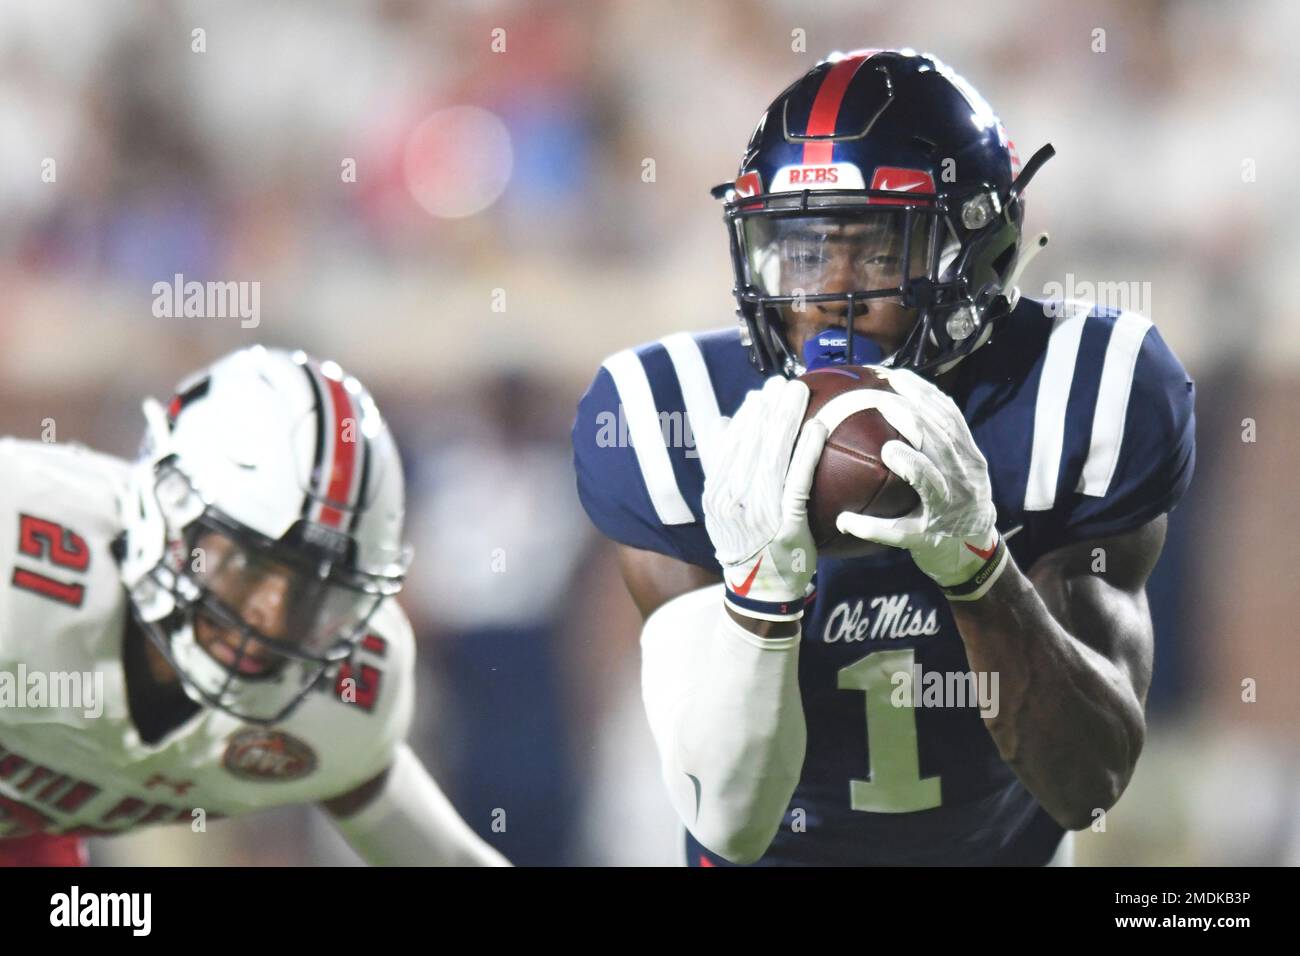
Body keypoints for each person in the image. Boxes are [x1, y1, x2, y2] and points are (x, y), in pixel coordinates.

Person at [572, 49, 1196, 865]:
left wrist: (980, 570)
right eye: (801, 250)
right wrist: (761, 598)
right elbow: (730, 820)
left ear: (981, 248)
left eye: (874, 250)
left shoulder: (1082, 390)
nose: (830, 293)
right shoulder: (671, 412)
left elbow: (1088, 779)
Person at [0, 345, 507, 867]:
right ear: (171, 514)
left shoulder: (345, 698)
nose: (270, 612)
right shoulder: (17, 550)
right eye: (247, 565)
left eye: (313, 594)